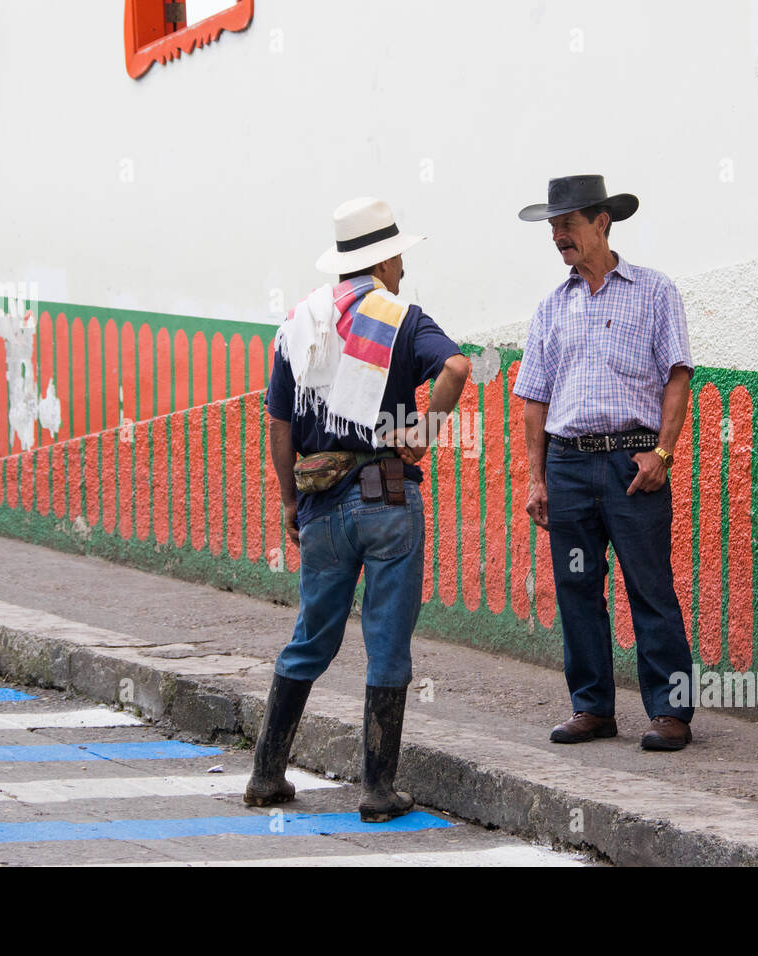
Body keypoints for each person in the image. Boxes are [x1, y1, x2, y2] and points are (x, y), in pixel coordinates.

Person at [245, 196, 471, 820]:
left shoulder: (298, 322)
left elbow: (280, 422)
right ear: (388, 259)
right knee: (387, 641)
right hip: (388, 500)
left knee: (310, 639)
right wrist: (425, 429)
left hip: (320, 505)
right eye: (400, 258)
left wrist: (291, 498)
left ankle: (266, 774)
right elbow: (456, 366)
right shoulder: (399, 317)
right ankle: (376, 790)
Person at [512, 175, 696, 752]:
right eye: (552, 226)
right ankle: (592, 707)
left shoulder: (654, 291)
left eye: (568, 223)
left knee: (650, 588)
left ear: (602, 223)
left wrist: (662, 454)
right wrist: (538, 479)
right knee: (576, 587)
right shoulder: (551, 307)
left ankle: (671, 712)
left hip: (632, 466)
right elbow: (534, 399)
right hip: (568, 467)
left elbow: (677, 376)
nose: (558, 235)